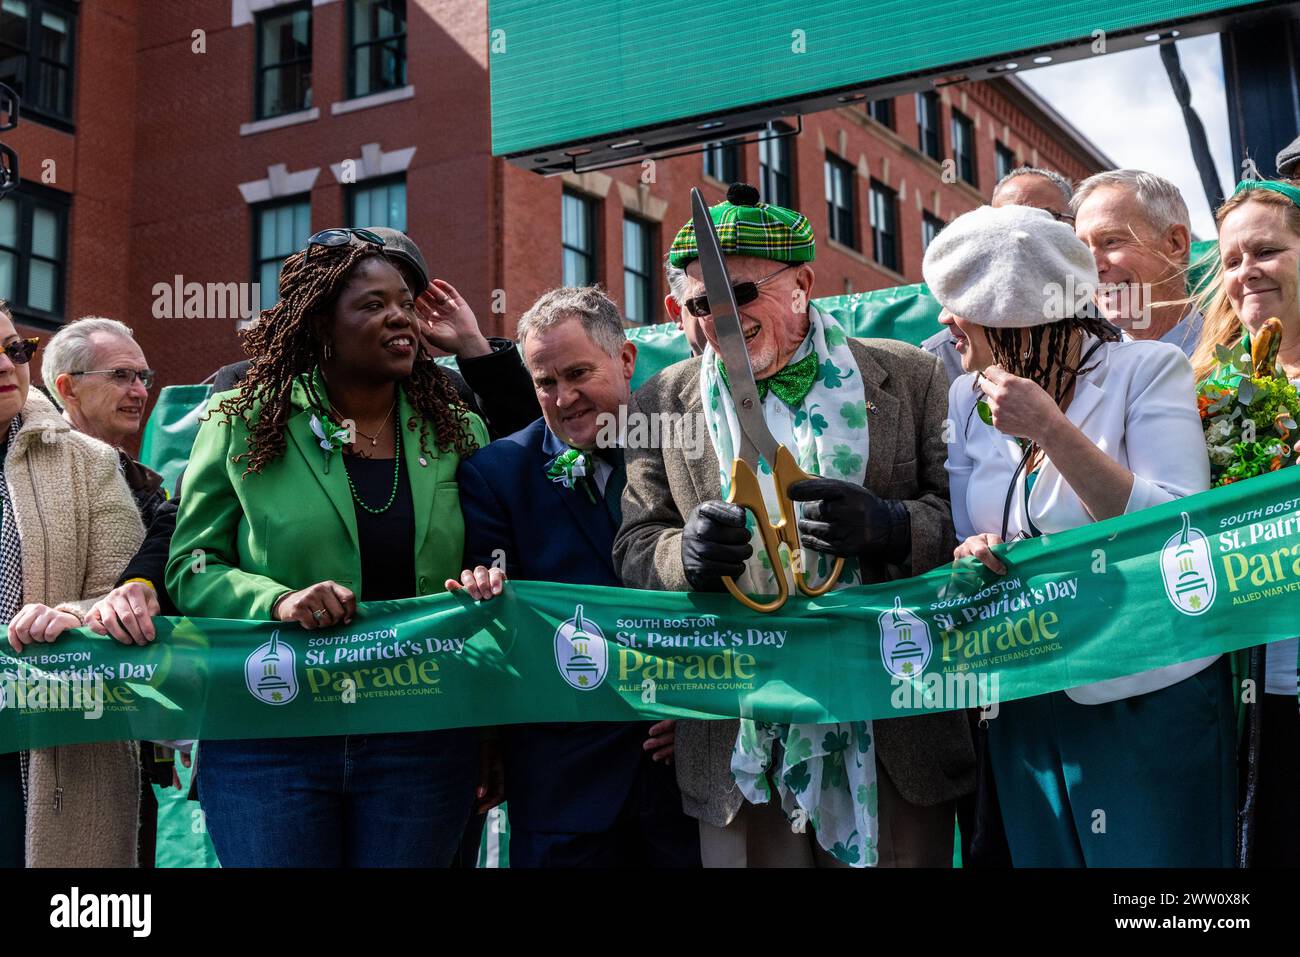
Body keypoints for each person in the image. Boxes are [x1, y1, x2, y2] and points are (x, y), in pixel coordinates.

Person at [614, 183, 973, 867]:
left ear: (804, 284)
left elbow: (969, 518)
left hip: (891, 721)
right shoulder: (657, 402)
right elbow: (635, 542)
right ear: (674, 313)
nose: (723, 314)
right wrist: (680, 557)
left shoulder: (913, 376)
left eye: (745, 294)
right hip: (739, 737)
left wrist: (893, 525)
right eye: (701, 303)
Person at [164, 228, 494, 867]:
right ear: (320, 326)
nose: (399, 316)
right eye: (372, 304)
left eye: (404, 301)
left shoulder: (459, 428)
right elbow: (191, 565)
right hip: (270, 734)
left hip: (421, 734)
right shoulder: (241, 420)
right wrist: (279, 601)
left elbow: (501, 550)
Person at [929, 204, 1235, 867]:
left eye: (959, 303)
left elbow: (1175, 528)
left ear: (1013, 310)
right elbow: (968, 526)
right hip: (1026, 697)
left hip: (1144, 693)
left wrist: (1053, 431)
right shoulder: (963, 397)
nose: (945, 320)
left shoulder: (1146, 369)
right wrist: (972, 550)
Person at [449, 286, 699, 867]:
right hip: (565, 794)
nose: (564, 397)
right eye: (544, 382)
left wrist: (700, 706)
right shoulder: (496, 474)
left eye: (579, 372)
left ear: (627, 359)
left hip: (687, 788)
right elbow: (500, 638)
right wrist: (478, 594)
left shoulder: (691, 449)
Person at [0, 302, 146, 867]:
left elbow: (129, 592)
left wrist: (76, 615)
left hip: (48, 748)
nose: (8, 365)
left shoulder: (89, 462)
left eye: (16, 349)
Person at [1190, 177, 1300, 866]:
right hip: (1263, 694)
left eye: (1267, 250)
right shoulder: (1207, 388)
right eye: (1231, 259)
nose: (1245, 272)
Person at [39, 315, 176, 866]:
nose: (140, 391)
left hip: (120, 734)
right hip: (29, 725)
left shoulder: (153, 491)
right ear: (67, 386)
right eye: (120, 375)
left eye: (144, 375)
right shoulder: (18, 474)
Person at [922, 167, 1075, 383]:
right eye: (1006, 221)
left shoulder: (1111, 336)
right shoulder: (938, 358)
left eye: (1045, 218)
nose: (1023, 234)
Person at [1071, 169, 1202, 356]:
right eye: (1082, 250)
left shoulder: (1243, 364)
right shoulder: (1077, 374)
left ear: (1175, 243)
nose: (1092, 267)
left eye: (1111, 241)